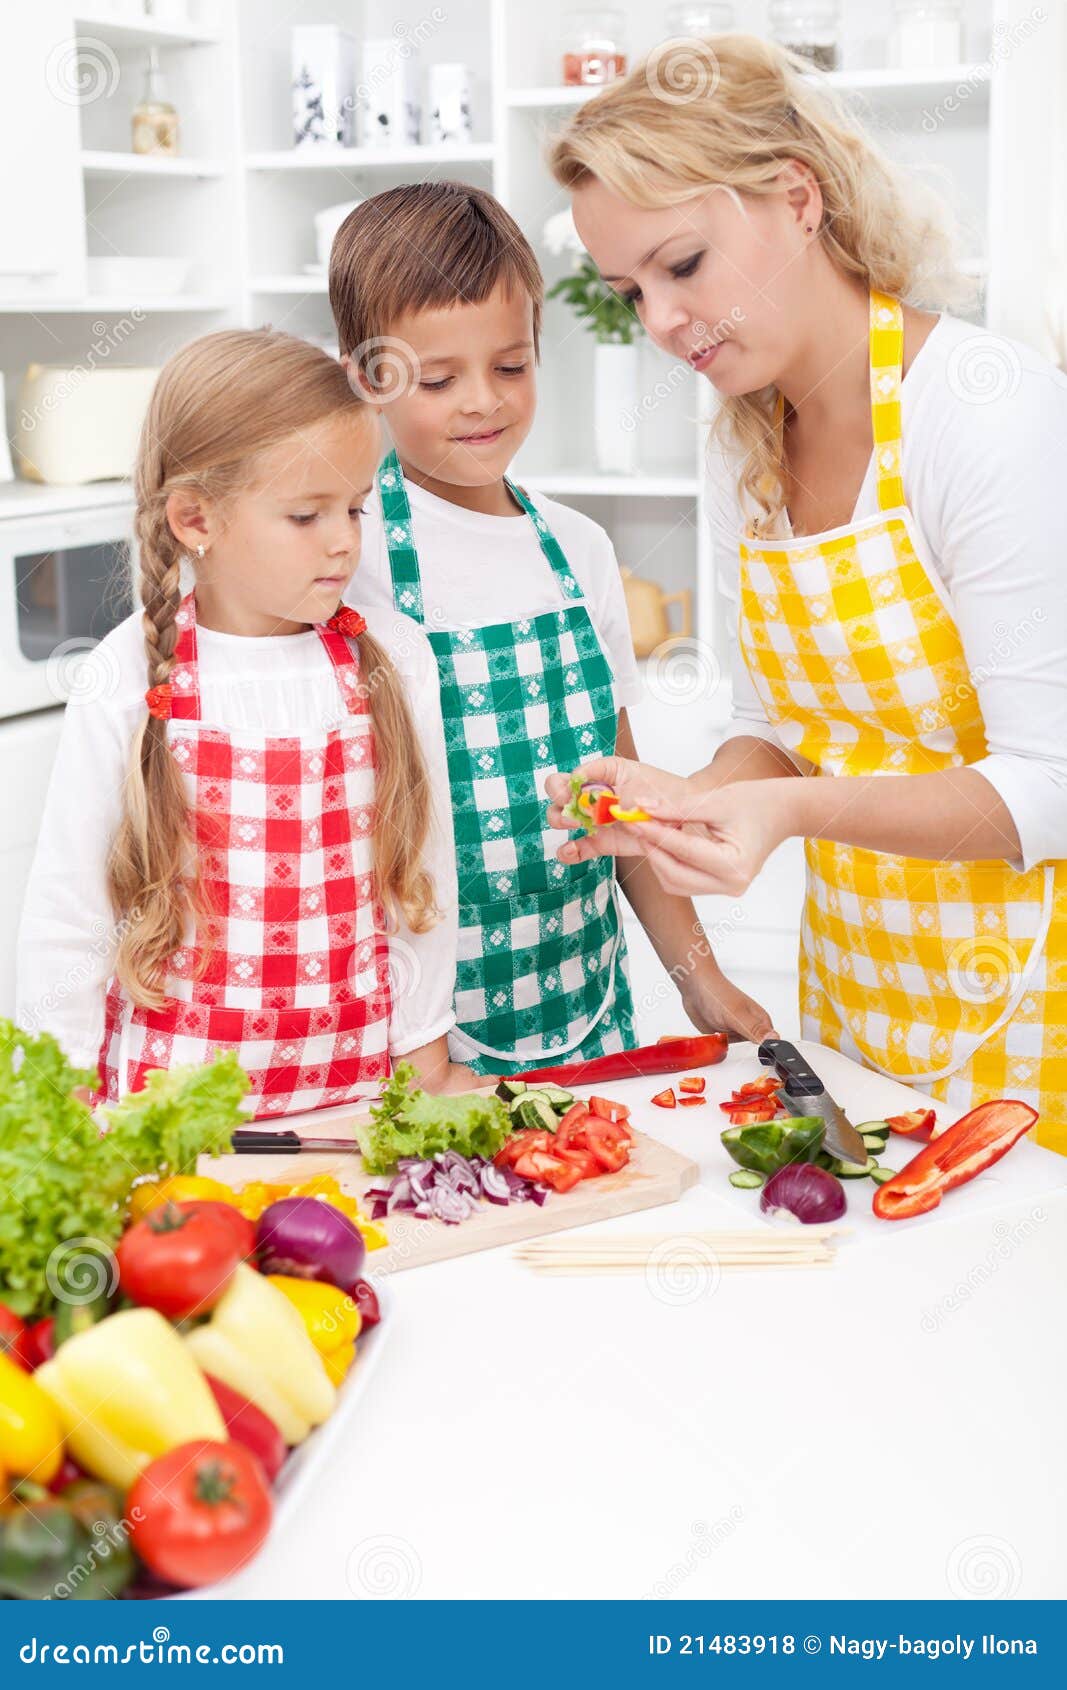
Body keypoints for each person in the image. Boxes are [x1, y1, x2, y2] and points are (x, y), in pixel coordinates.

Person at [544, 34, 1067, 1150]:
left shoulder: (977, 411)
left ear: (794, 197)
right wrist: (685, 799)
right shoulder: (743, 438)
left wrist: (788, 812)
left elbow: (1049, 784)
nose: (661, 323)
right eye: (628, 290)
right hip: (859, 1017)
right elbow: (773, 728)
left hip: (1038, 1011)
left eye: (681, 265)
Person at [328, 180, 774, 1075]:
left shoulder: (578, 552)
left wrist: (698, 976)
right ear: (366, 376)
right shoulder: (347, 554)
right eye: (439, 378)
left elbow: (622, 807)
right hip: (408, 1046)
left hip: (585, 1016)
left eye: (510, 365)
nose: (482, 403)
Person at [17, 329, 472, 1116]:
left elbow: (424, 884)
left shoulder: (394, 657)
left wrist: (428, 1063)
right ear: (195, 519)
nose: (343, 541)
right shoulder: (127, 674)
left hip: (355, 1108)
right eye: (305, 515)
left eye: (355, 507)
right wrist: (57, 1108)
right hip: (171, 1127)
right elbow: (71, 915)